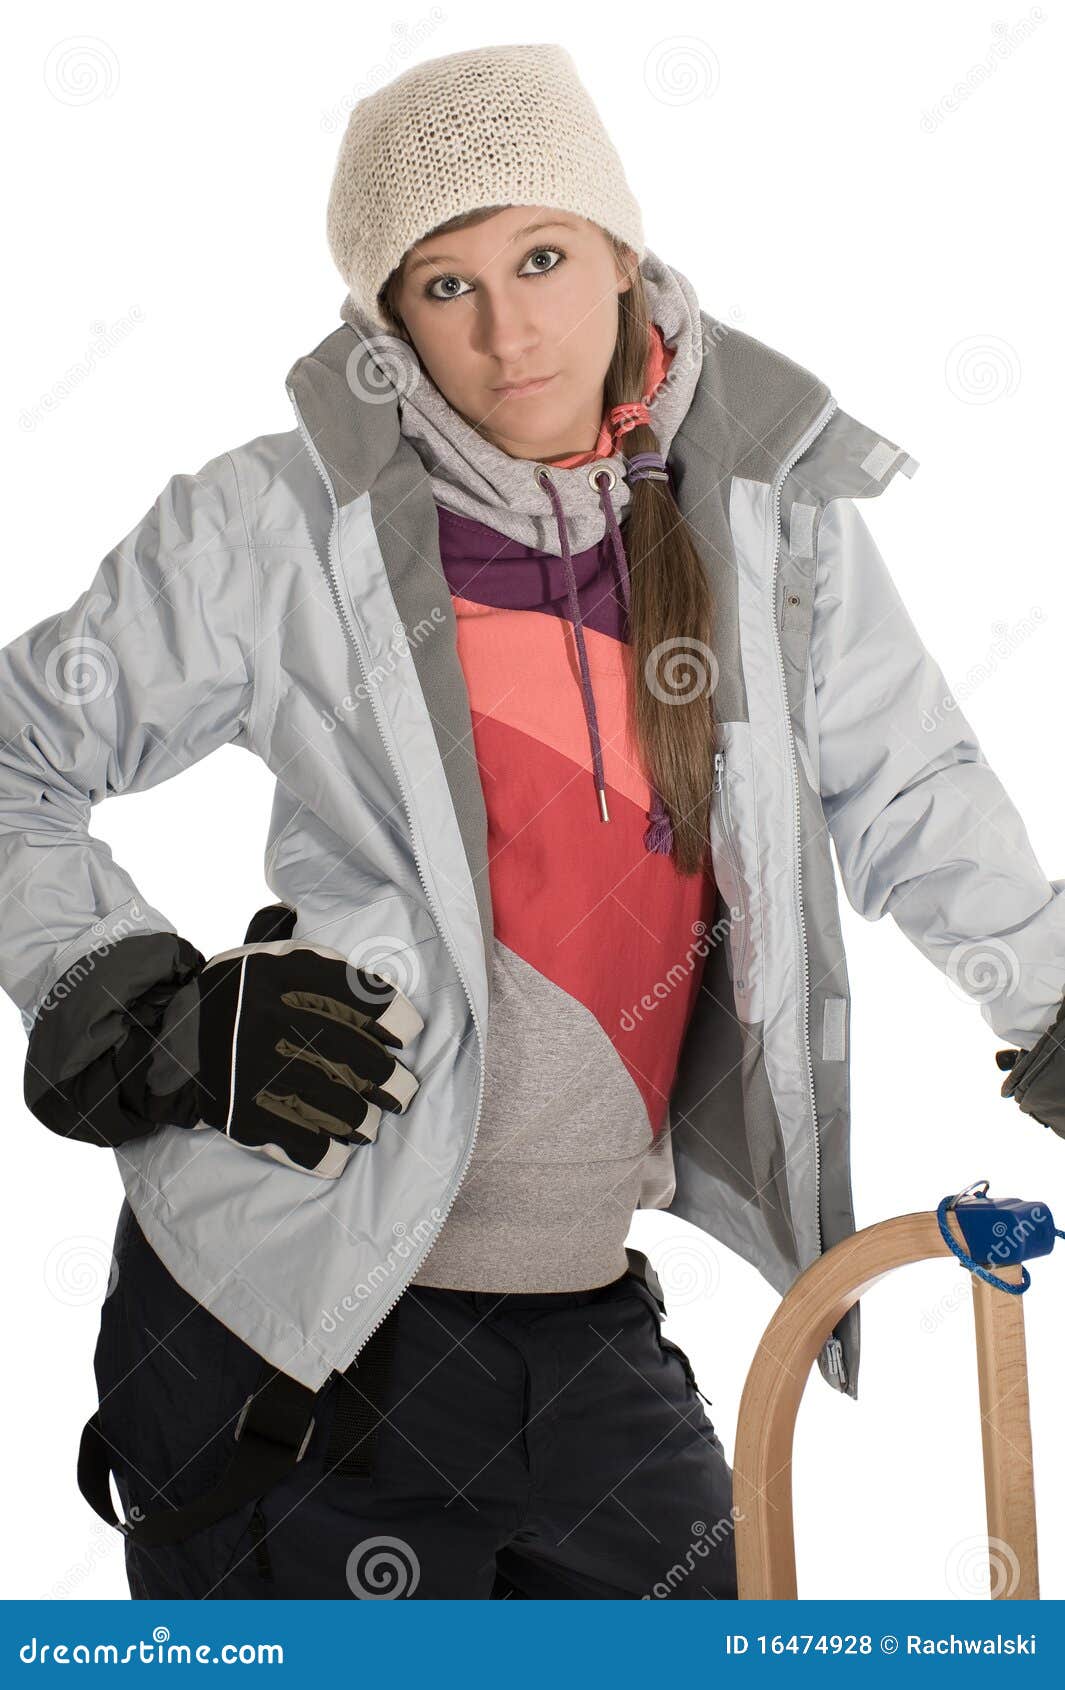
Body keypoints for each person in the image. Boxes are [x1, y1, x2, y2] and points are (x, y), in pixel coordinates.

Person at [2, 41, 1062, 1602]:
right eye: (444, 286)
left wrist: (1050, 1005)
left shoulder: (763, 514)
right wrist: (151, 1008)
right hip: (290, 1332)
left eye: (544, 256)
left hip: (581, 1335)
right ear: (384, 320)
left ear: (621, 253)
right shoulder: (271, 525)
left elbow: (908, 784)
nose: (510, 333)